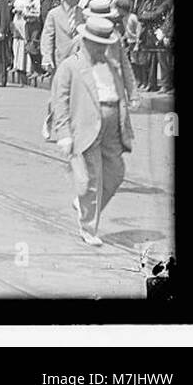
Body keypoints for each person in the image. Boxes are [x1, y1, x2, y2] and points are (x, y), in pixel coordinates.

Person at [50, 15, 135, 247]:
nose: (102, 49)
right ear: (86, 41)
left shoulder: (112, 65)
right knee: (92, 180)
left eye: (105, 45)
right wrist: (64, 133)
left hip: (112, 129)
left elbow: (121, 96)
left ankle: (84, 204)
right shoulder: (71, 66)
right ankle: (88, 227)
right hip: (85, 128)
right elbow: (60, 101)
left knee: (116, 174)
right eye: (98, 44)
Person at [40, 0, 86, 139]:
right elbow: (47, 36)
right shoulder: (54, 14)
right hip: (61, 61)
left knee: (76, 96)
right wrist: (46, 57)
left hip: (79, 61)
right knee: (57, 96)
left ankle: (71, 128)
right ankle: (49, 120)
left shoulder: (83, 13)